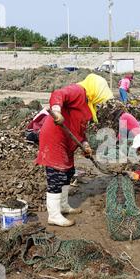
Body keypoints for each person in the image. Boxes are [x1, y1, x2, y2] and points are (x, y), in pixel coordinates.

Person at [36, 74, 113, 227]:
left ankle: (63, 205)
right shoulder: (79, 91)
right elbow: (58, 94)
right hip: (55, 138)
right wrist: (57, 111)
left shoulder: (89, 104)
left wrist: (85, 144)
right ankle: (54, 215)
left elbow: (79, 130)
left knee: (68, 172)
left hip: (67, 141)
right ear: (95, 89)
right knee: (56, 175)